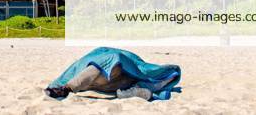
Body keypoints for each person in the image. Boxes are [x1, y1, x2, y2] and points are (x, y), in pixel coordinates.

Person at [44, 47, 180, 101]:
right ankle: (67, 89)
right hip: (107, 80)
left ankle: (131, 91)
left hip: (117, 80)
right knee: (109, 60)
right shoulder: (105, 56)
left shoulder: (111, 56)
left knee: (113, 59)